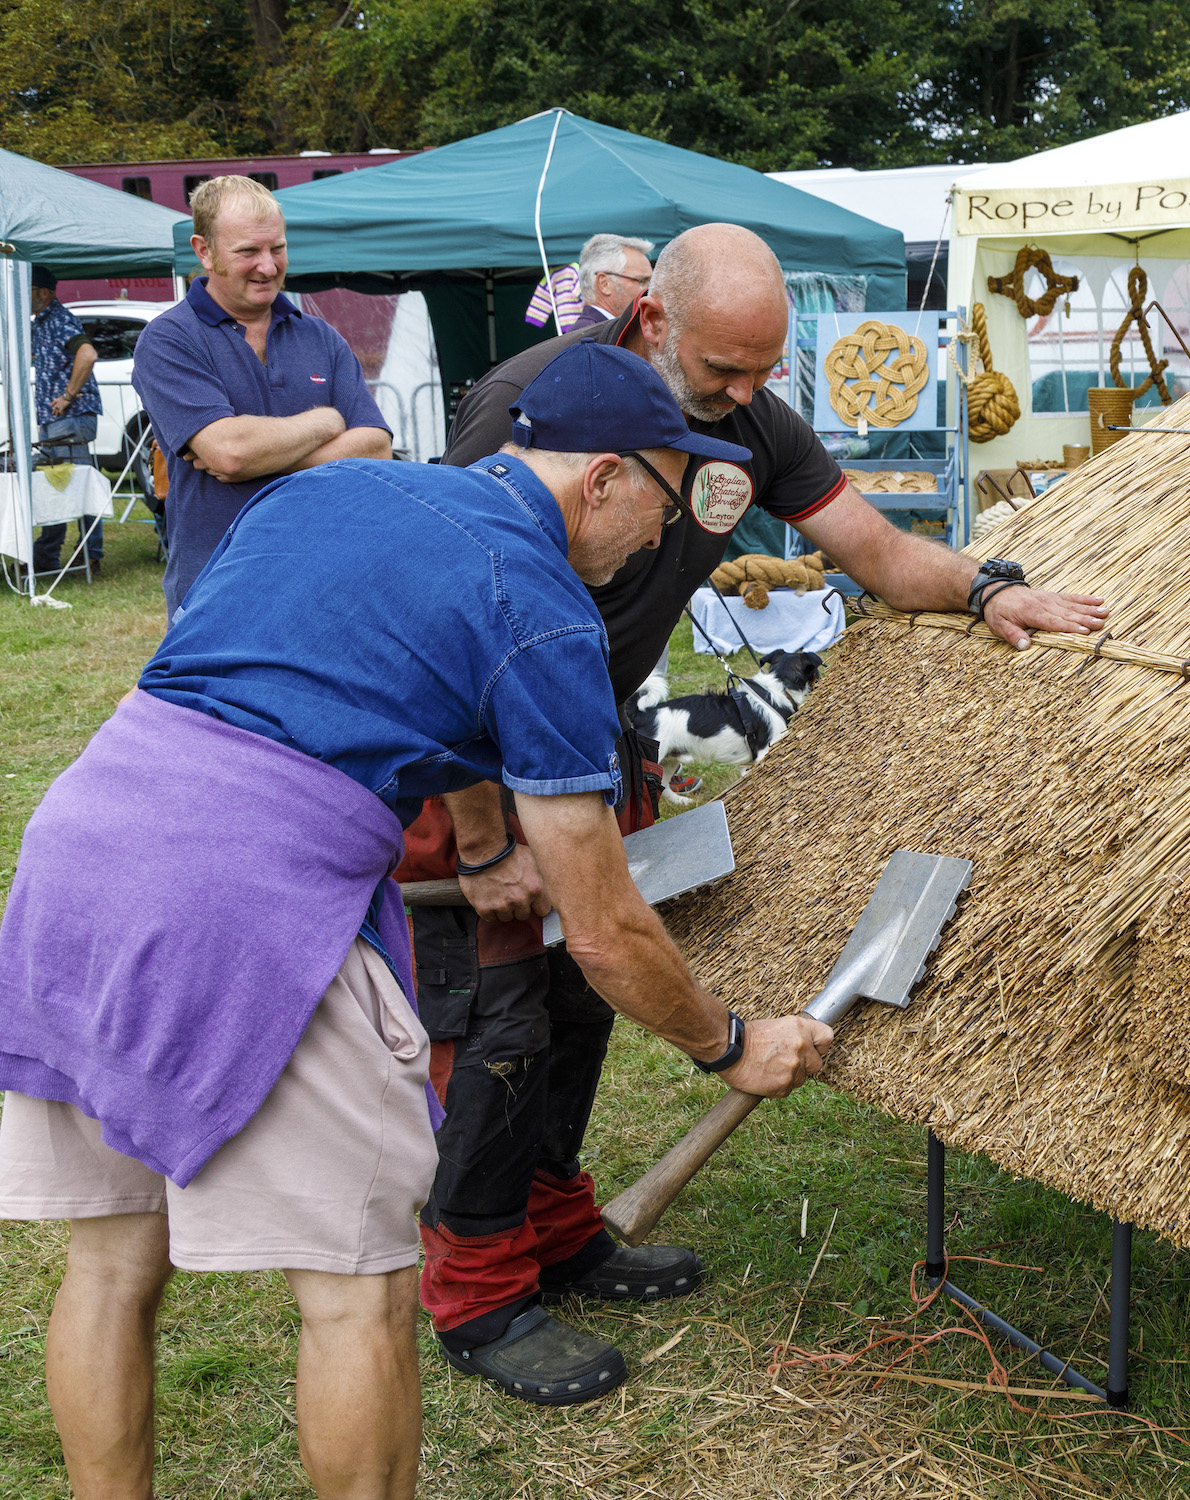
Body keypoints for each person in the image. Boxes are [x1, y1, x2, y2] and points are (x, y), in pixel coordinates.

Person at [0, 341, 832, 1495]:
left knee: (108, 1259)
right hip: (242, 898)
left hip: (83, 844)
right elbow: (601, 928)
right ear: (599, 480)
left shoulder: (341, 486)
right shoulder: (543, 613)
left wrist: (487, 840)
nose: (661, 538)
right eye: (662, 500)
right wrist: (729, 1042)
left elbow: (371, 667)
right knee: (359, 1293)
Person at [407, 221, 1106, 1402]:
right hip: (467, 752)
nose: (741, 398)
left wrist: (990, 588)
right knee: (499, 1022)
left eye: (759, 373)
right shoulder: (530, 404)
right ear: (649, 322)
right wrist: (480, 842)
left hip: (582, 732)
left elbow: (876, 551)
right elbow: (441, 628)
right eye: (721, 371)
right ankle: (477, 1294)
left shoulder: (752, 423)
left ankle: (561, 1232)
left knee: (579, 996)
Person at [132, 175, 391, 614]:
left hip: (324, 585)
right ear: (204, 251)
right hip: (219, 594)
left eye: (278, 248)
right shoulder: (169, 340)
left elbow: (378, 448)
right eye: (248, 251)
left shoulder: (320, 336)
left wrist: (260, 455)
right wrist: (329, 422)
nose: (269, 267)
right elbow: (230, 452)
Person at [26, 264, 107, 578]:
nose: (24, 300)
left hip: (70, 418)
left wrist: (68, 395)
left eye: (28, 293)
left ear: (43, 293)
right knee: (59, 486)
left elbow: (87, 354)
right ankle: (51, 554)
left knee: (70, 487)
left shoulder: (59, 319)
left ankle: (85, 554)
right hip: (59, 420)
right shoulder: (42, 322)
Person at [576, 233, 655, 324]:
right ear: (604, 284)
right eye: (642, 281)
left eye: (651, 282)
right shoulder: (592, 335)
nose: (650, 290)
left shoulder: (606, 331)